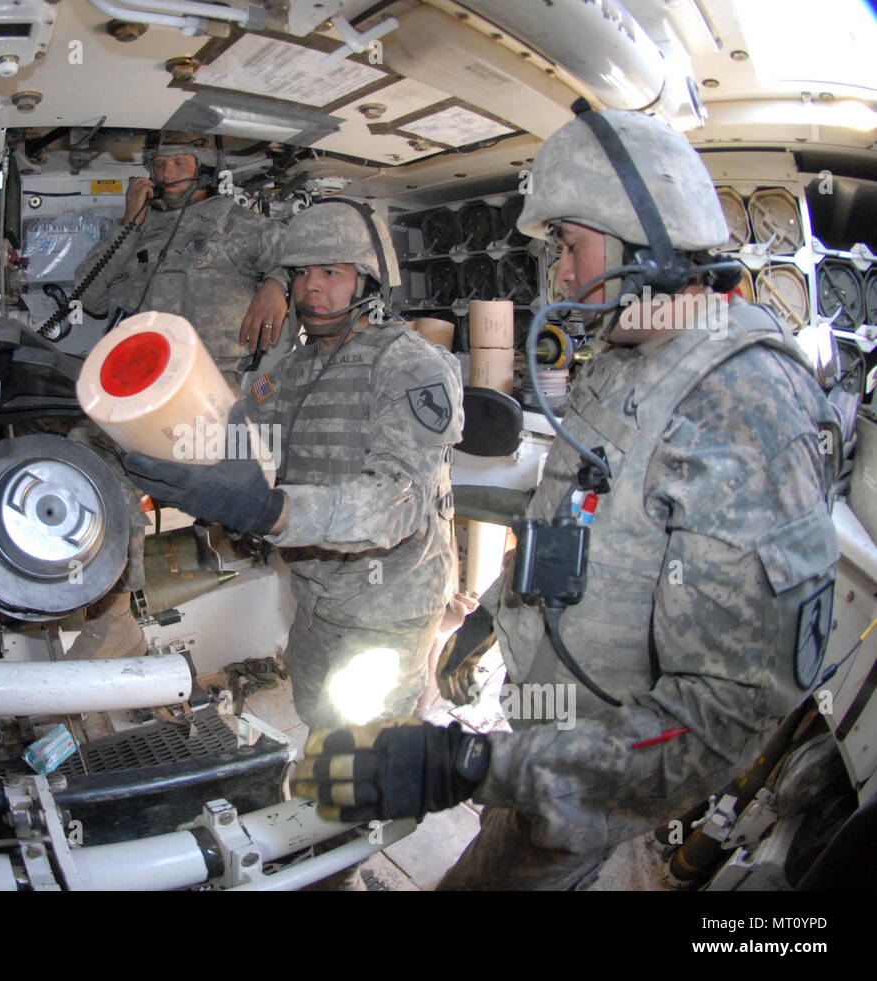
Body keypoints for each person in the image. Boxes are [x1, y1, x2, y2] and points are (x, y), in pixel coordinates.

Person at [292, 105, 841, 890]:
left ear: (642, 244)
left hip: (600, 768)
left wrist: (470, 763)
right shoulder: (634, 349)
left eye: (570, 245)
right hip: (547, 715)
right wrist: (491, 611)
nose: (561, 275)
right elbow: (574, 512)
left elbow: (715, 718)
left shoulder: (744, 406)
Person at [121, 200, 464, 731]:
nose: (310, 287)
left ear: (370, 282)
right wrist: (172, 450)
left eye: (330, 272)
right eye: (301, 272)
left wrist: (274, 510)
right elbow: (239, 424)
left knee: (367, 745)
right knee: (315, 714)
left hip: (389, 606)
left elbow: (398, 502)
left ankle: (382, 809)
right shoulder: (292, 370)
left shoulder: (411, 364)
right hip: (316, 594)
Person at [74, 133, 290, 389]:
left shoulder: (235, 222)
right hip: (133, 379)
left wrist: (277, 284)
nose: (166, 173)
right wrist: (129, 223)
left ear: (206, 168)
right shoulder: (136, 228)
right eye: (159, 164)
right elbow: (88, 297)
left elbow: (303, 257)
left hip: (208, 380)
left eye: (179, 162)